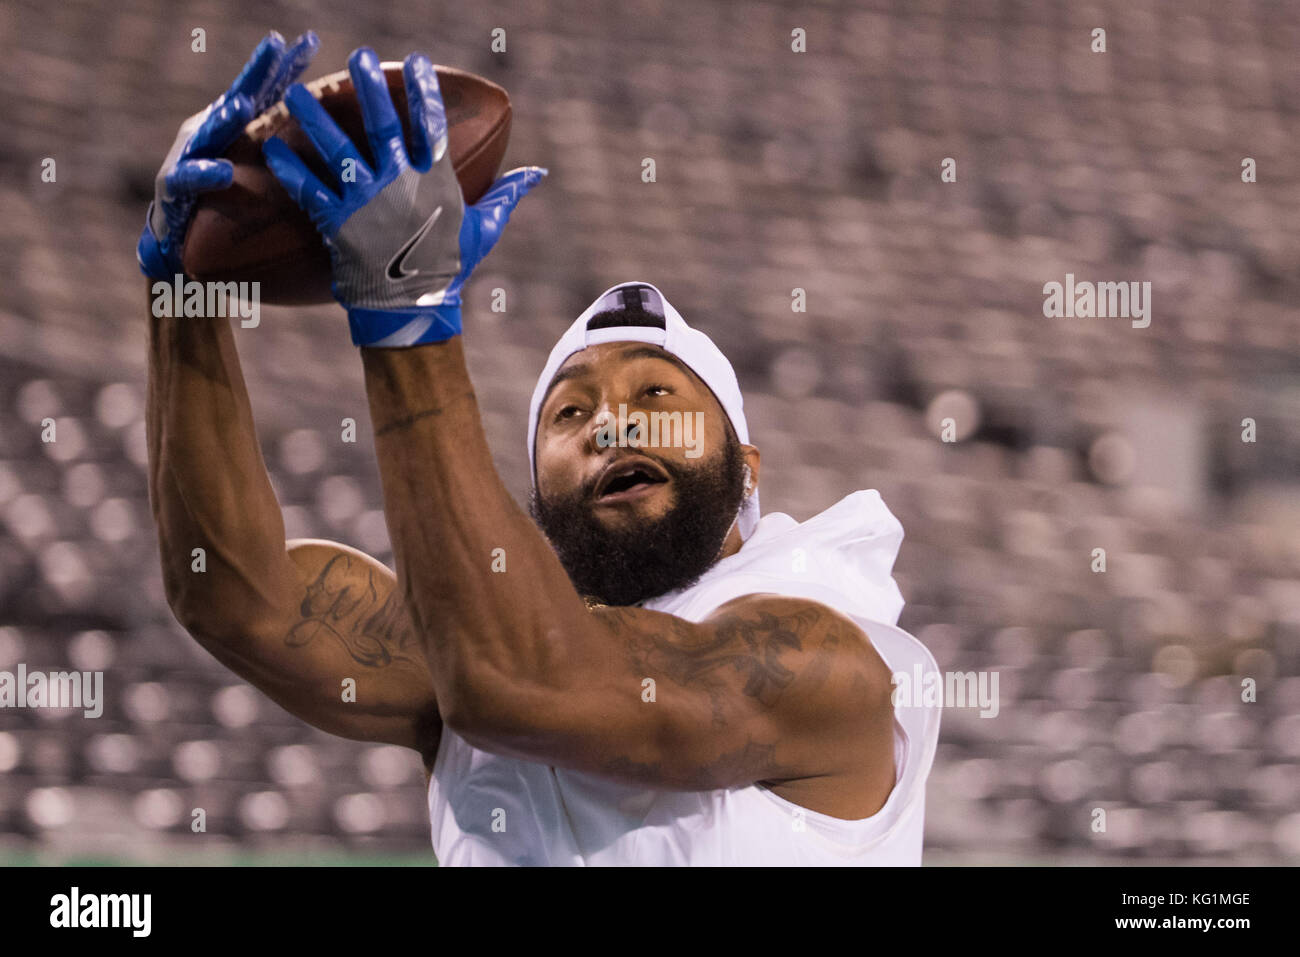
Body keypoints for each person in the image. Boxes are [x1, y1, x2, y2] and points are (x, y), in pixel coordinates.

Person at [139, 30, 941, 866]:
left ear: (747, 470)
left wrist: (406, 311)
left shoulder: (825, 662)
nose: (613, 423)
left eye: (657, 395)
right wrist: (182, 296)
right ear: (533, 494)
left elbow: (521, 683)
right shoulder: (467, 640)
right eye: (569, 413)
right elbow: (233, 596)